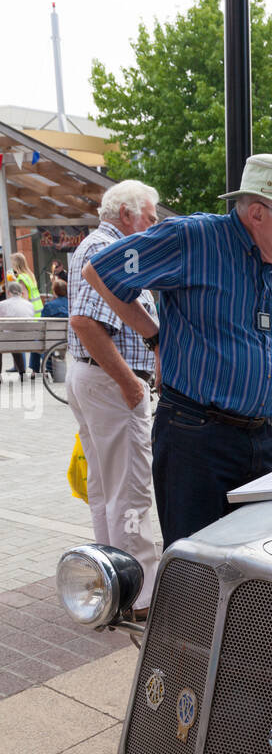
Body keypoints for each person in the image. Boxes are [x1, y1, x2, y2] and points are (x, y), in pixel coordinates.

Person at [83, 153, 272, 547]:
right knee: (199, 569)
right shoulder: (193, 238)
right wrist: (155, 338)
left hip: (259, 438)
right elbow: (100, 271)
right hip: (196, 436)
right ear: (258, 213)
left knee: (257, 563)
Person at [67, 180, 162, 616]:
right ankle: (140, 592)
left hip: (92, 378)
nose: (154, 224)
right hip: (110, 382)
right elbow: (86, 321)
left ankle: (115, 583)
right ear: (126, 214)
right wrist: (129, 383)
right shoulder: (108, 250)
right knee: (130, 490)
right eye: (150, 216)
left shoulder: (94, 245)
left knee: (107, 489)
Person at [0, 280, 35, 379]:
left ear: (8, 292)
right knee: (15, 341)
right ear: (21, 293)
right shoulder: (29, 305)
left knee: (6, 341)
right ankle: (22, 373)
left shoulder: (2, 304)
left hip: (10, 340)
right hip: (28, 341)